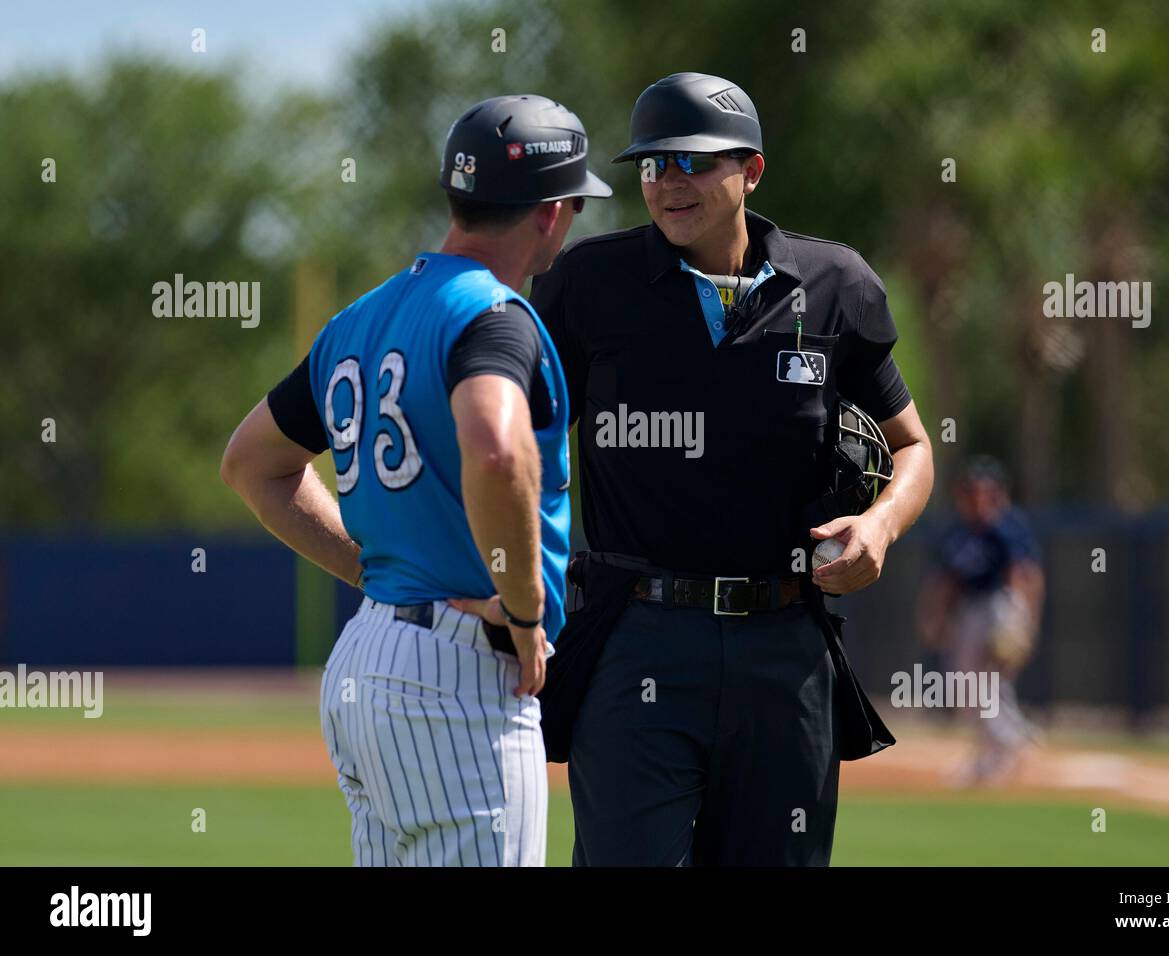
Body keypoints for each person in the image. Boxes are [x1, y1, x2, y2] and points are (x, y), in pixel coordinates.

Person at [530, 72, 934, 866]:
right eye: (653, 165)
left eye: (693, 163)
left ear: (750, 170)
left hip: (785, 648)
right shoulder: (587, 284)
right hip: (635, 637)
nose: (669, 183)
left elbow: (914, 447)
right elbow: (520, 439)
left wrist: (880, 526)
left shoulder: (836, 286)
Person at [220, 94, 610, 865]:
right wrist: (526, 611)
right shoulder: (494, 315)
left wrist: (376, 571)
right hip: (461, 675)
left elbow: (251, 464)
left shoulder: (360, 318)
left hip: (368, 656)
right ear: (554, 211)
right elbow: (495, 448)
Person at [916, 456, 1046, 785]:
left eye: (983, 491)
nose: (976, 498)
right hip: (971, 611)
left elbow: (1025, 574)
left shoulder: (1006, 528)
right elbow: (946, 581)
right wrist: (936, 617)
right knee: (966, 687)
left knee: (987, 683)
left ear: (997, 494)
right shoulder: (958, 533)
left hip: (999, 604)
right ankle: (1006, 738)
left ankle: (1000, 749)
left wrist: (1022, 617)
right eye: (970, 491)